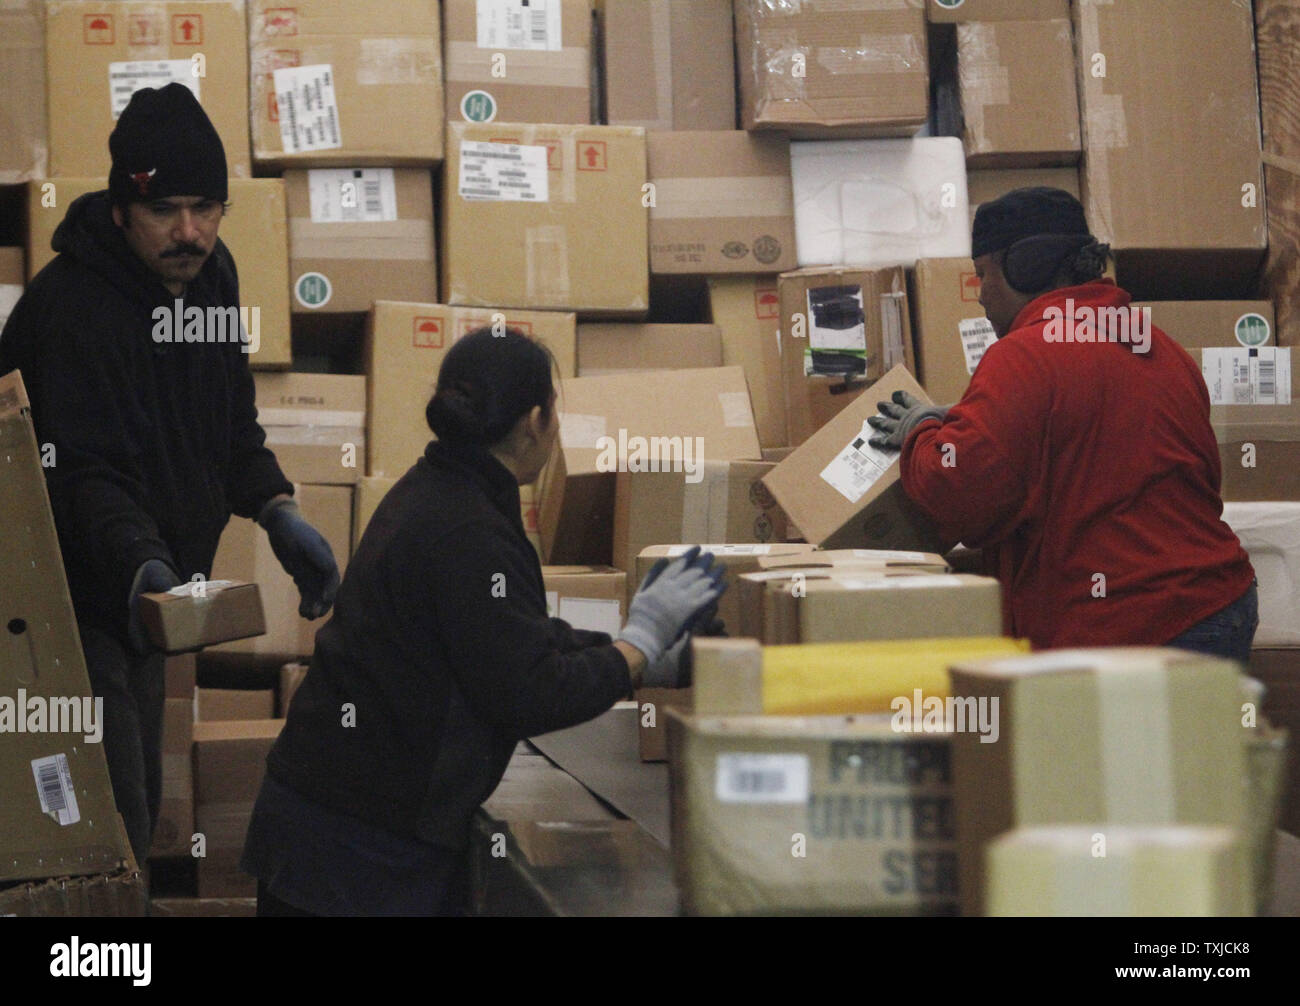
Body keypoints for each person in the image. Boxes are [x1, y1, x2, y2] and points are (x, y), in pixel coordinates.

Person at [241, 327, 726, 916]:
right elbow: (528, 691)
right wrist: (640, 643)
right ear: (534, 421)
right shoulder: (469, 528)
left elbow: (511, 637)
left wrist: (647, 658)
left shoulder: (437, 489)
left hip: (333, 817)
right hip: (357, 847)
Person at [0, 83, 340, 866]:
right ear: (122, 210)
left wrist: (276, 506)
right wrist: (142, 564)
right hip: (66, 604)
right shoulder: (74, 311)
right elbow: (80, 473)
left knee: (138, 809)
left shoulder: (210, 279)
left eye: (207, 207)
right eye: (167, 211)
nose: (190, 232)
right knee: (101, 826)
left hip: (146, 598)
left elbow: (228, 425)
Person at [867, 187, 1256, 660]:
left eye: (983, 275)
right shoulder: (1160, 347)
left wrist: (922, 434)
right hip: (1220, 604)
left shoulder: (1021, 356)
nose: (982, 297)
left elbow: (960, 493)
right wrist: (964, 421)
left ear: (1022, 267)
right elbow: (1109, 447)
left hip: (1132, 626)